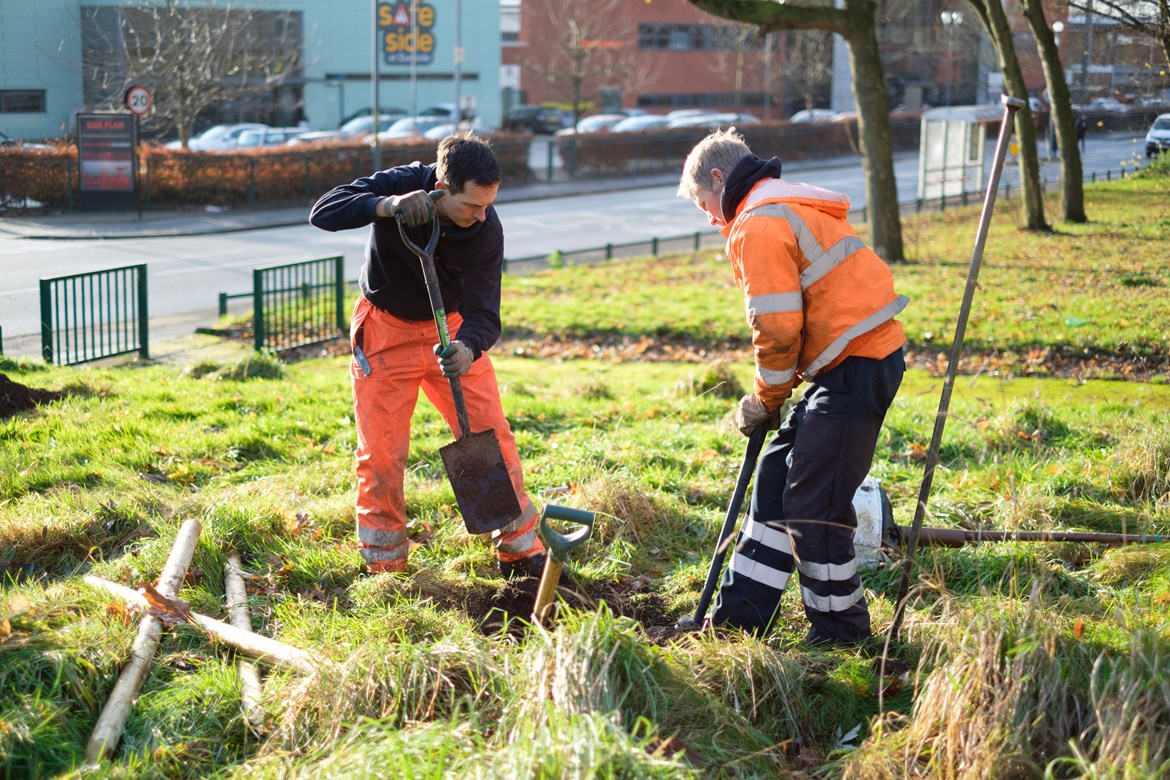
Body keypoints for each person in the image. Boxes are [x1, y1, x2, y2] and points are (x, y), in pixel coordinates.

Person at [676, 128, 907, 647]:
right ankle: (740, 620)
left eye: (704, 203)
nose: (711, 217)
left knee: (814, 510)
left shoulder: (757, 221)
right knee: (778, 476)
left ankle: (841, 636)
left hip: (858, 364)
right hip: (850, 362)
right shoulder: (779, 202)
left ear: (719, 178)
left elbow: (778, 328)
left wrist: (765, 400)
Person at [309, 131, 545, 578]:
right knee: (381, 452)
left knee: (489, 437)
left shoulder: (485, 229)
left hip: (451, 331)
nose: (481, 216)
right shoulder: (401, 183)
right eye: (471, 206)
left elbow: (484, 312)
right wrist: (387, 206)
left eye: (487, 205)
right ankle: (386, 566)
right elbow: (324, 211)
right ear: (440, 189)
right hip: (385, 332)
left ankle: (520, 554)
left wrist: (469, 348)